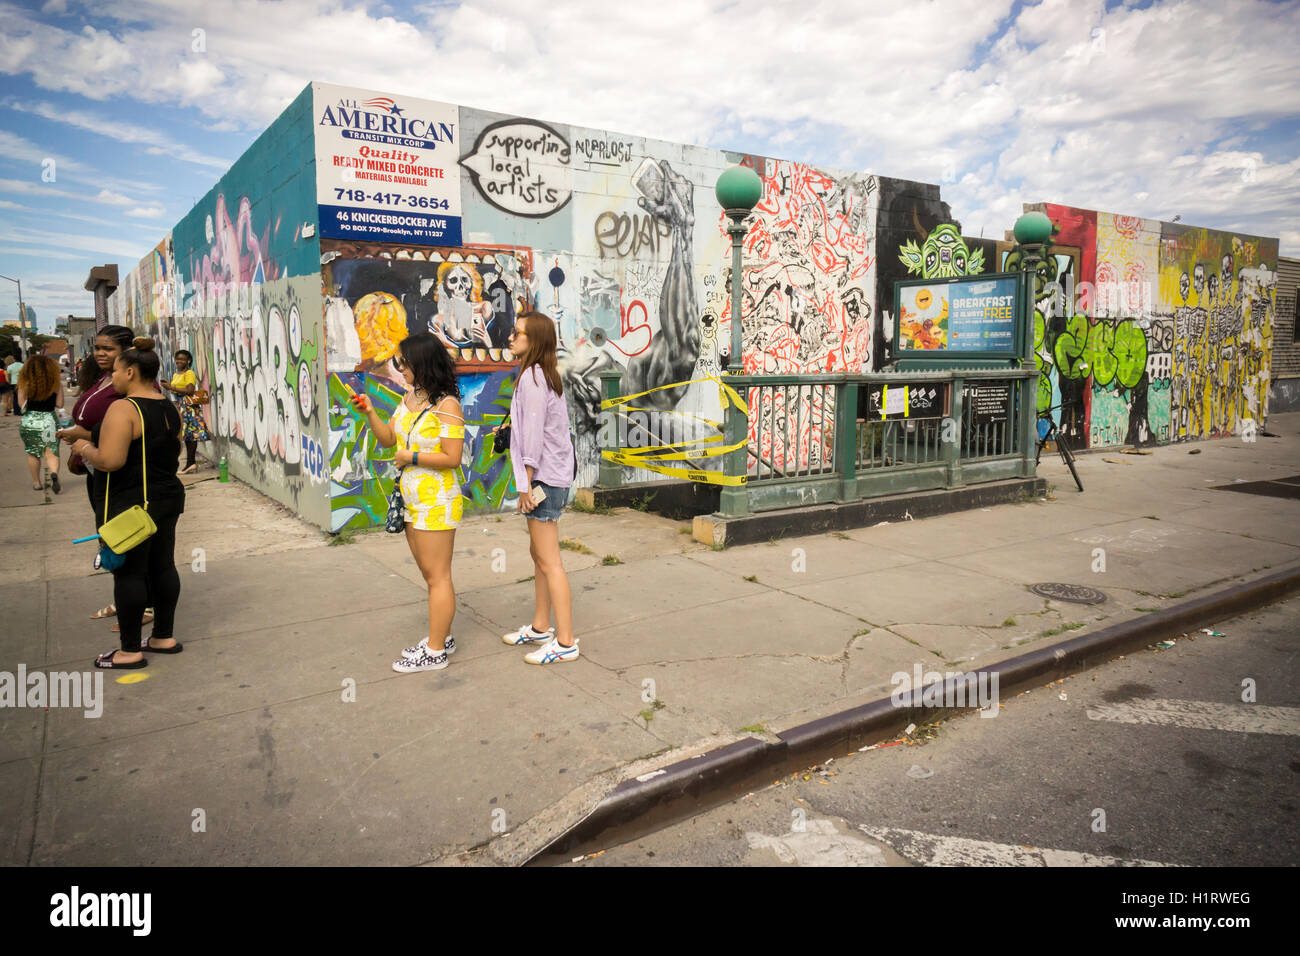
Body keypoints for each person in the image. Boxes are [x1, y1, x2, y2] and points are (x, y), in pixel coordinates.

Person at [348, 332, 466, 674]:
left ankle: (435, 651)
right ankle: (441, 637)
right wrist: (370, 412)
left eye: (403, 362)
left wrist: (411, 457)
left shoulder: (447, 406)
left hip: (436, 502)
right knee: (430, 576)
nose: (399, 368)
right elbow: (389, 439)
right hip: (411, 501)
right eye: (397, 362)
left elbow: (453, 457)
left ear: (421, 362)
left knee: (438, 577)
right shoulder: (409, 397)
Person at [69, 338, 185, 668]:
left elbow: (111, 460)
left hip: (133, 504)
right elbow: (173, 449)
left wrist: (83, 447)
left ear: (131, 372)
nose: (114, 377)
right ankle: (163, 637)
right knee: (163, 566)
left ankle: (129, 651)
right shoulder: (169, 406)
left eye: (117, 371)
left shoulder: (124, 409)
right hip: (166, 498)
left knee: (130, 574)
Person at [499, 311, 579, 664]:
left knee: (550, 560)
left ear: (535, 341)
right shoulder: (541, 374)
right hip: (550, 476)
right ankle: (540, 626)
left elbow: (532, 440)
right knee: (540, 556)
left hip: (543, 478)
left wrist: (525, 485)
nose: (510, 338)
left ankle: (566, 642)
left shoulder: (533, 377)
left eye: (517, 333)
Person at [57, 325, 152, 624]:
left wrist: (82, 439)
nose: (99, 353)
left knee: (127, 541)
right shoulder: (104, 379)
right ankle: (125, 599)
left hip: (119, 475)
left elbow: (136, 430)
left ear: (126, 353)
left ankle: (142, 605)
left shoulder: (132, 386)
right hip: (98, 471)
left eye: (108, 349)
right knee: (110, 539)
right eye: (97, 347)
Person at [16, 355, 64, 493]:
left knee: (33, 453)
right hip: (49, 420)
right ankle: (53, 474)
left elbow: (21, 404)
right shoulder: (55, 384)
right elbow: (59, 404)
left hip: (30, 421)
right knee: (52, 452)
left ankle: (37, 483)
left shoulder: (25, 383)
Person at [159, 349, 210, 473]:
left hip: (189, 407)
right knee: (187, 435)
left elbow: (190, 390)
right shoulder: (176, 374)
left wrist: (171, 387)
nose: (179, 361)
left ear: (188, 361)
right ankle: (190, 463)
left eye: (182, 359)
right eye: (177, 359)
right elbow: (177, 390)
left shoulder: (189, 373)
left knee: (191, 435)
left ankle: (190, 463)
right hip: (181, 406)